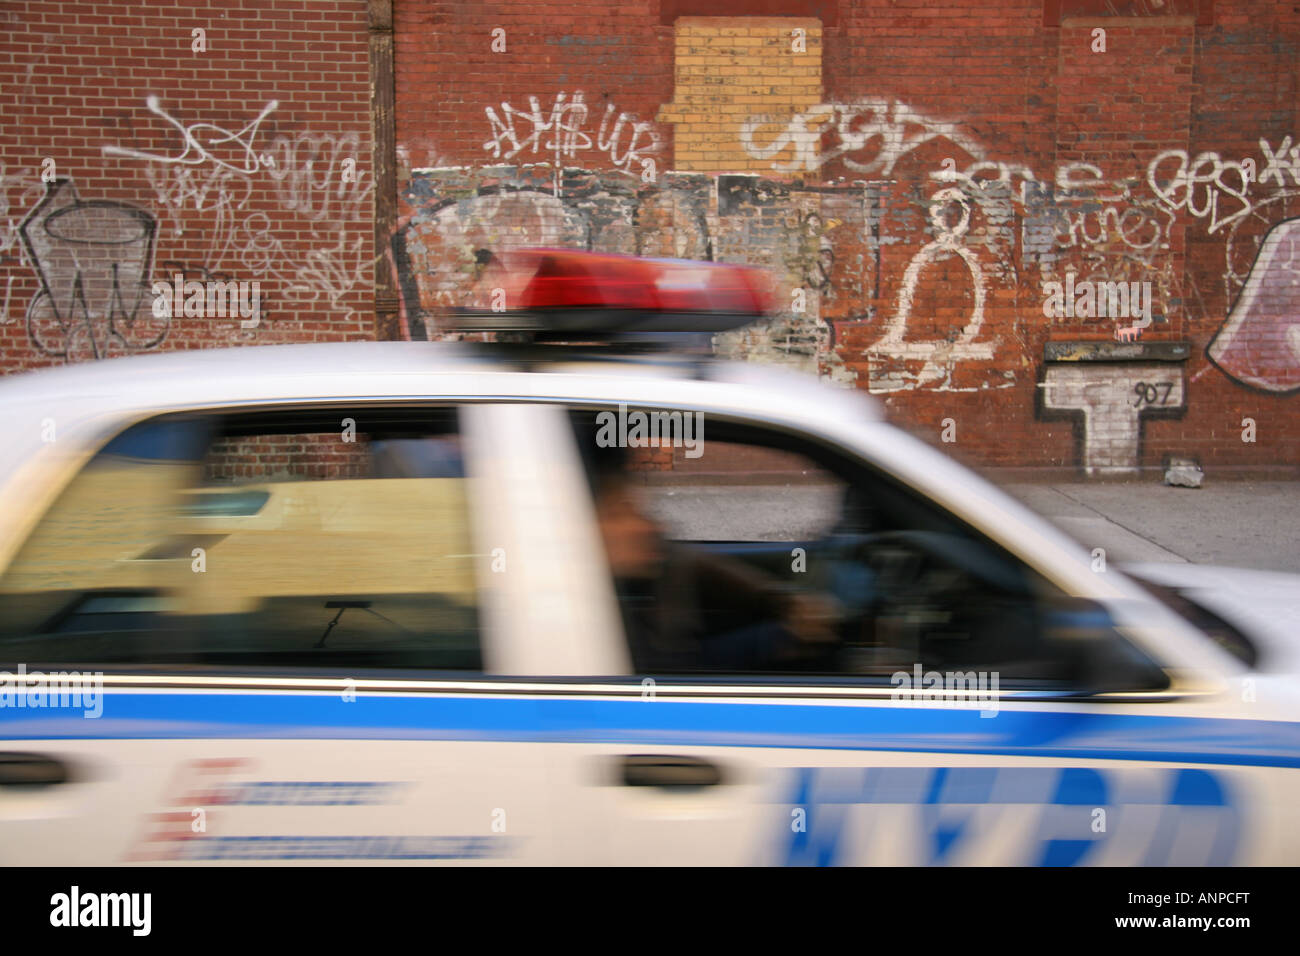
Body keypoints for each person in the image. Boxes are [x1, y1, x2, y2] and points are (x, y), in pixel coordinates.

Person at [585, 440, 842, 673]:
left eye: (639, 510)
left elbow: (686, 559)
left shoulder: (658, 563)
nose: (651, 526)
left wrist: (782, 600)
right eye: (619, 513)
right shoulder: (574, 619)